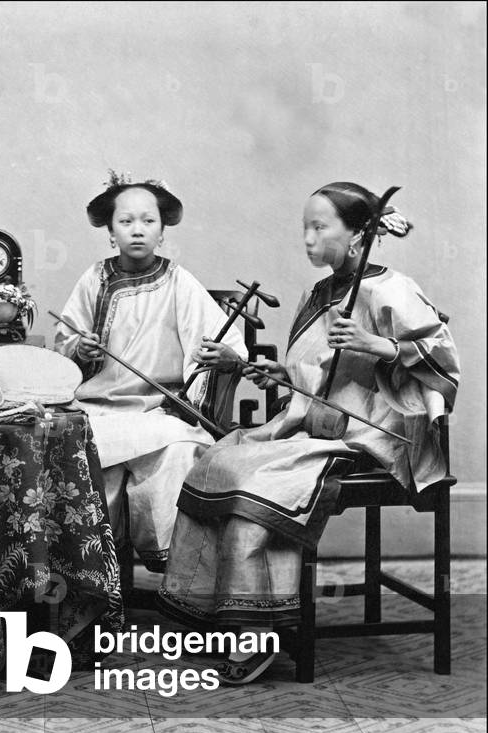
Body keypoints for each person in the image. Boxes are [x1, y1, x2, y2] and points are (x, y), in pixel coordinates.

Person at [158, 181, 460, 684]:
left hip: (371, 439)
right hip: (315, 428)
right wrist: (266, 372)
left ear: (360, 233)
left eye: (320, 227)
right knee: (219, 458)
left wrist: (377, 345)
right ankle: (222, 615)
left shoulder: (389, 289)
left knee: (259, 482)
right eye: (305, 228)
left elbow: (444, 364)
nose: (308, 239)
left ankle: (261, 632)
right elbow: (312, 378)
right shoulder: (318, 293)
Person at [54, 173, 247, 575]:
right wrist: (80, 349)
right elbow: (64, 345)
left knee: (176, 448)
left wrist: (224, 356)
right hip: (96, 409)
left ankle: (177, 571)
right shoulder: (94, 280)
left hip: (157, 411)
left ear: (162, 232)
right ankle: (94, 573)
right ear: (110, 232)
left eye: (148, 221)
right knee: (76, 448)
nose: (137, 231)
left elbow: (218, 346)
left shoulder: (179, 281)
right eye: (126, 222)